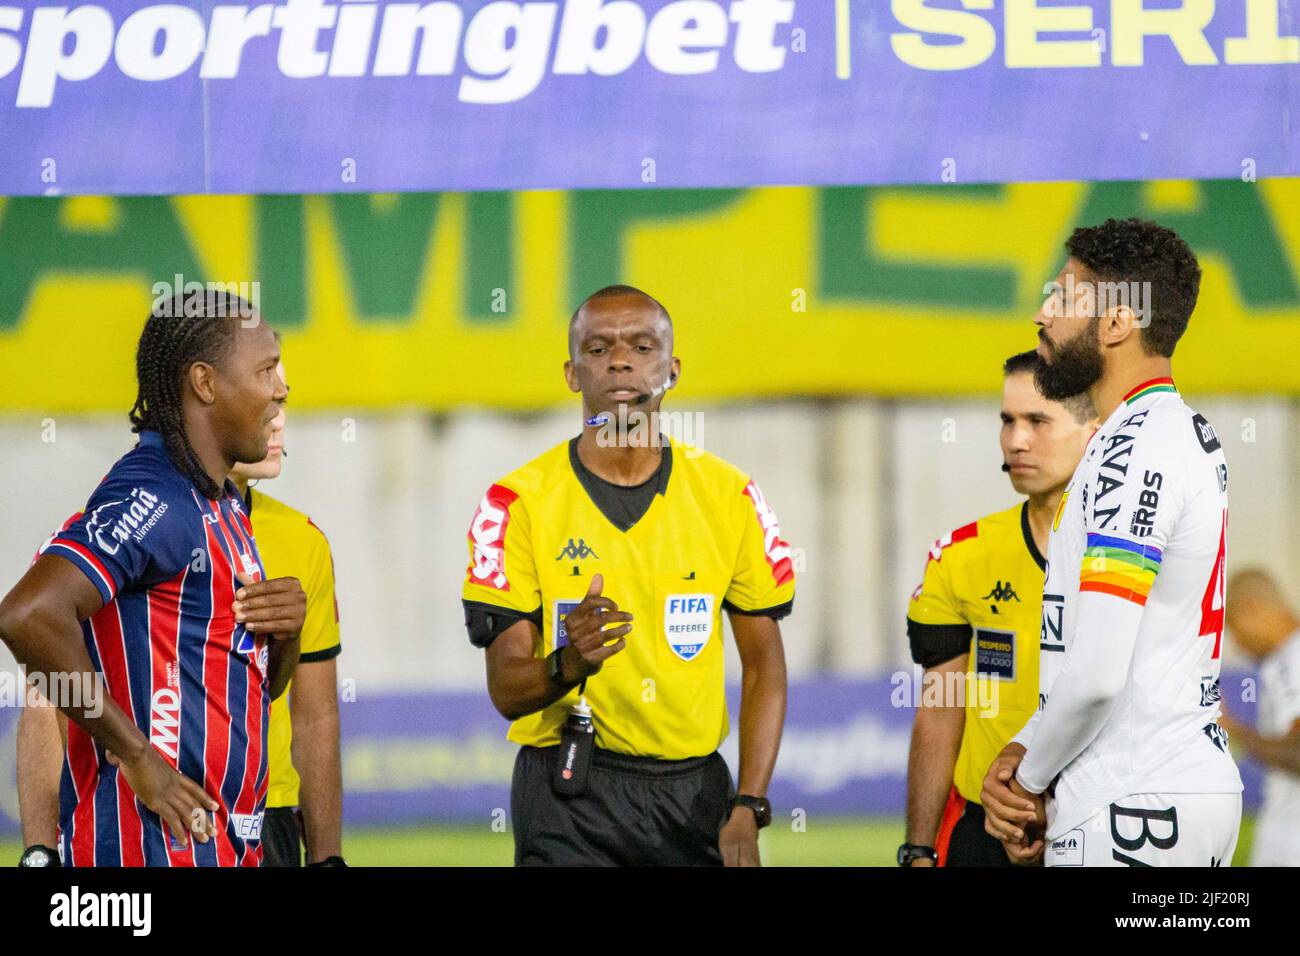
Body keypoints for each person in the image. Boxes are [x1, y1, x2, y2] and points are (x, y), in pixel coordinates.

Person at [461, 284, 794, 866]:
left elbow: (765, 665)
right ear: (572, 374)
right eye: (598, 349)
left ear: (672, 369)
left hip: (694, 795)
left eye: (642, 347)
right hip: (569, 795)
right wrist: (569, 662)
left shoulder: (731, 496)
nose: (619, 361)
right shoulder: (516, 503)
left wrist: (749, 803)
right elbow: (506, 690)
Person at [0, 291, 305, 866]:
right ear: (205, 383)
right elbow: (27, 616)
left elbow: (255, 692)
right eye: (266, 370)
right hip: (145, 854)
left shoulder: (222, 504)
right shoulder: (155, 495)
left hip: (221, 848)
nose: (280, 389)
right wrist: (138, 756)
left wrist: (286, 635)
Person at [981, 218, 1242, 867]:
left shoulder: (1133, 448)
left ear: (1118, 322)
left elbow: (1098, 675)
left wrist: (1028, 785)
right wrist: (1028, 743)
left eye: (1064, 296)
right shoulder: (1165, 431)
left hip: (1134, 805)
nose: (1042, 314)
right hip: (1168, 790)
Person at [900, 351, 1095, 867]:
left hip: (1101, 826)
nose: (1016, 440)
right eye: (1008, 421)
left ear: (1093, 431)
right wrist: (918, 849)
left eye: (1037, 421)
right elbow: (941, 708)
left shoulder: (1136, 559)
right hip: (981, 835)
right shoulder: (961, 556)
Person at [1219, 568, 1300, 866]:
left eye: (1233, 628)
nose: (1238, 643)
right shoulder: (1281, 661)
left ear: (1250, 609)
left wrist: (1231, 727)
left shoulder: (1293, 661)